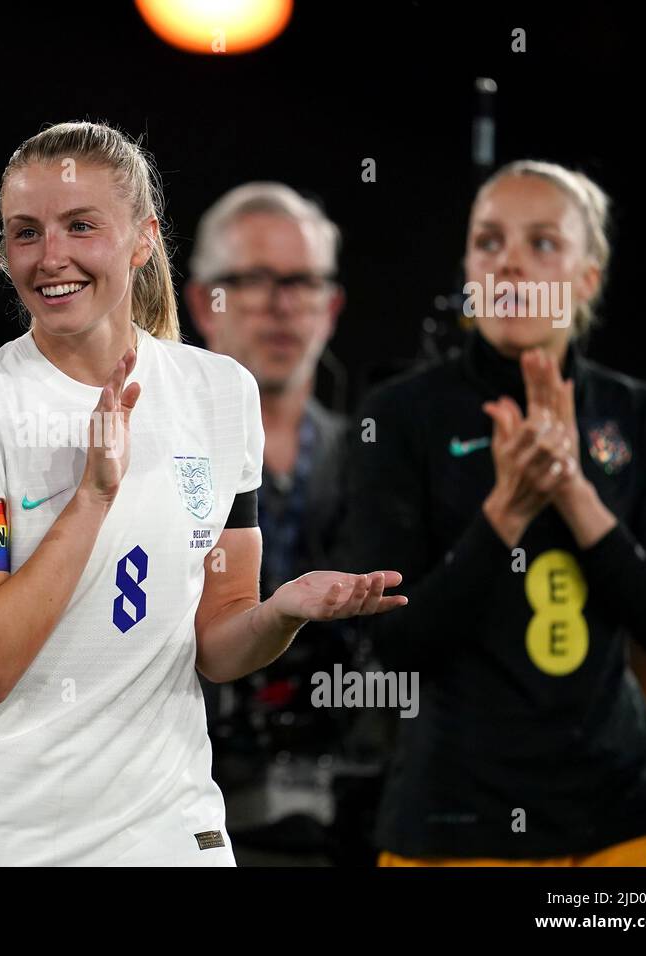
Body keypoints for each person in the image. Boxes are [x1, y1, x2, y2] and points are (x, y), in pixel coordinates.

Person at [0, 121, 406, 866]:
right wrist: (93, 498)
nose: (51, 257)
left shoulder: (220, 393)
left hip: (171, 832)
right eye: (25, 233)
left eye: (80, 226)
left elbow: (219, 644)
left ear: (142, 239)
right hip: (0, 835)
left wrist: (281, 612)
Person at [342, 159, 646, 866]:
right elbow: (393, 646)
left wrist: (574, 493)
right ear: (468, 270)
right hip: (450, 824)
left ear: (588, 278)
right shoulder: (399, 416)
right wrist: (506, 514)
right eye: (488, 242)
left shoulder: (637, 416)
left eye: (542, 243)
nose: (509, 263)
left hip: (617, 822)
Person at [186, 182, 390, 864]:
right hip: (189, 812)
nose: (279, 305)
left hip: (350, 821)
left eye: (301, 282)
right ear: (202, 304)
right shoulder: (144, 461)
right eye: (252, 280)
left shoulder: (379, 464)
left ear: (331, 306)